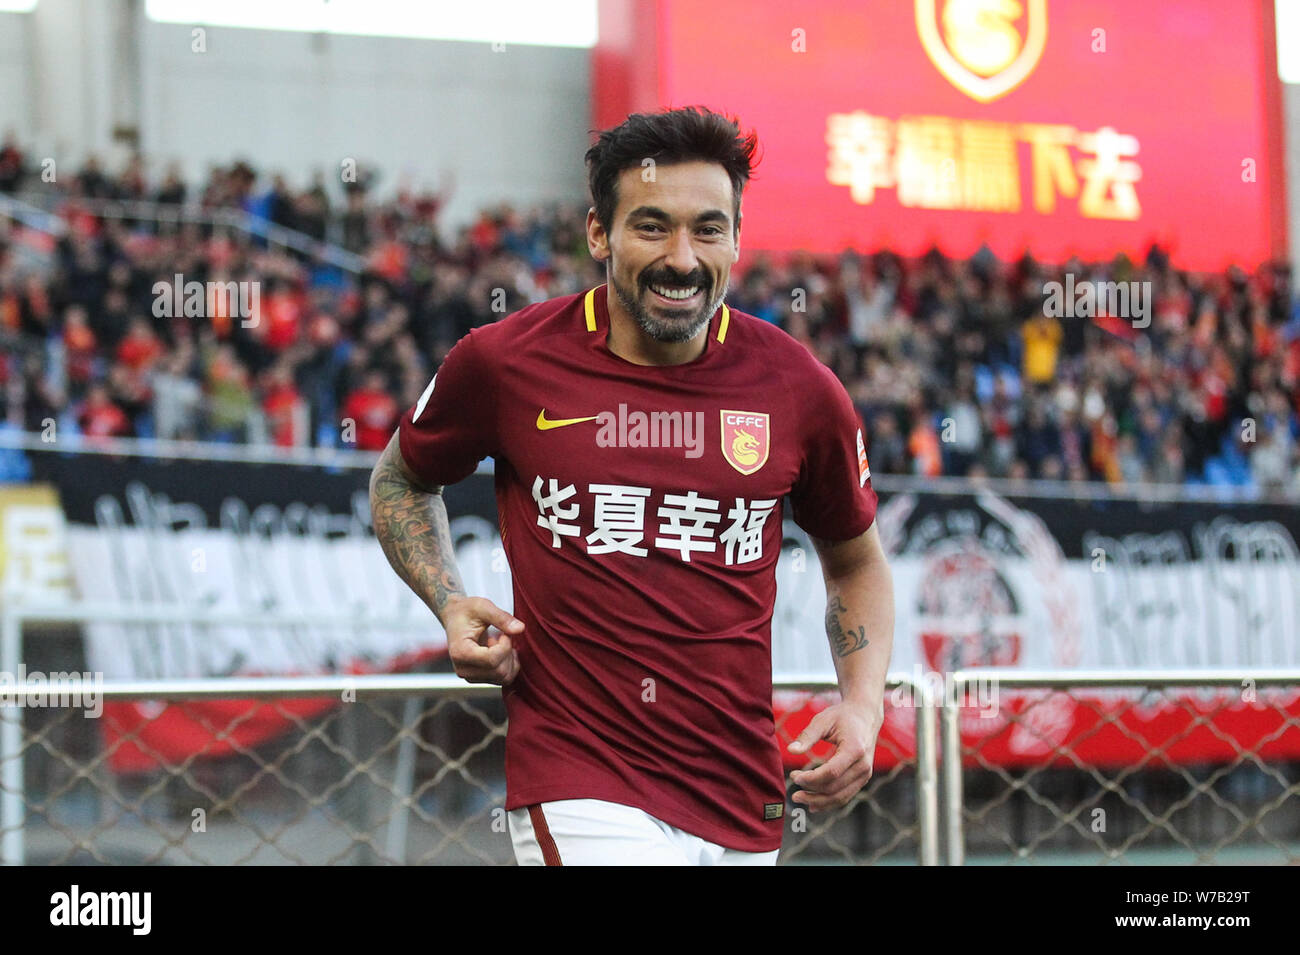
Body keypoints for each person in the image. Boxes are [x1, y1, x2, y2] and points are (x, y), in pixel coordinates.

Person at [370, 106, 894, 866]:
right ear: (598, 234)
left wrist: (864, 705)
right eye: (652, 226)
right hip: (579, 773)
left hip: (742, 794)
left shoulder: (799, 389)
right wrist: (449, 600)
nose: (682, 257)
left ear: (737, 241)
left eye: (708, 230)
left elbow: (856, 558)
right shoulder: (503, 363)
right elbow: (400, 479)